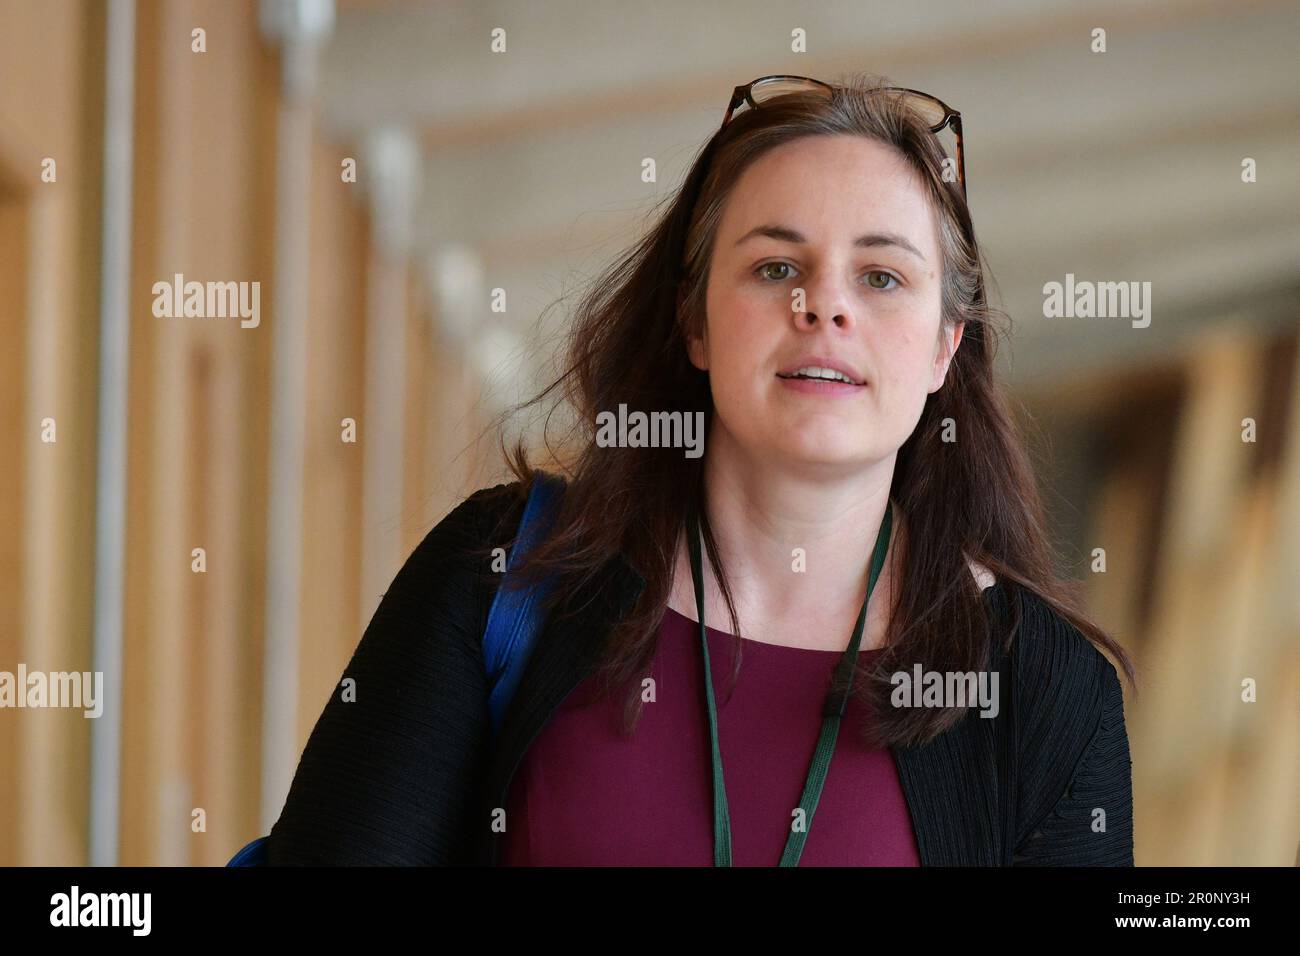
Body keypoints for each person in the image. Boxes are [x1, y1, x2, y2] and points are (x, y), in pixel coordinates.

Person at [267, 72, 1136, 866]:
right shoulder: (503, 577)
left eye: (880, 277)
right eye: (774, 267)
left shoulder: (1043, 693)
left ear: (948, 345)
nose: (824, 304)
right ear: (694, 321)